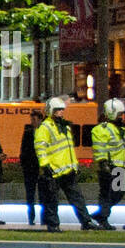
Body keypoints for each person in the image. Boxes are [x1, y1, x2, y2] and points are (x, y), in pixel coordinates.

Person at [34, 96, 97, 232]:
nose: (61, 112)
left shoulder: (64, 127)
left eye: (62, 110)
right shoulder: (45, 127)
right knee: (52, 200)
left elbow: (69, 149)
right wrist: (45, 165)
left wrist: (74, 165)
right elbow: (40, 148)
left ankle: (86, 222)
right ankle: (53, 225)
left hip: (67, 170)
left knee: (78, 198)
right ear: (50, 110)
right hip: (53, 170)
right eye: (58, 110)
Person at [89, 98, 125, 230]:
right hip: (110, 166)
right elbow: (100, 148)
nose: (122, 116)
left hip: (118, 166)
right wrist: (103, 163)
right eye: (120, 113)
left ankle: (101, 215)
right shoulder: (102, 129)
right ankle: (103, 218)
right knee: (109, 193)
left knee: (116, 193)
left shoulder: (118, 128)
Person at [20, 109, 44, 225]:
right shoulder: (28, 132)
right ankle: (31, 217)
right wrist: (24, 164)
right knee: (30, 194)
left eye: (34, 119)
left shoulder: (44, 131)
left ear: (40, 119)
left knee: (44, 194)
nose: (32, 122)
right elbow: (23, 149)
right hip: (30, 167)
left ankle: (45, 217)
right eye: (31, 119)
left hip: (42, 167)